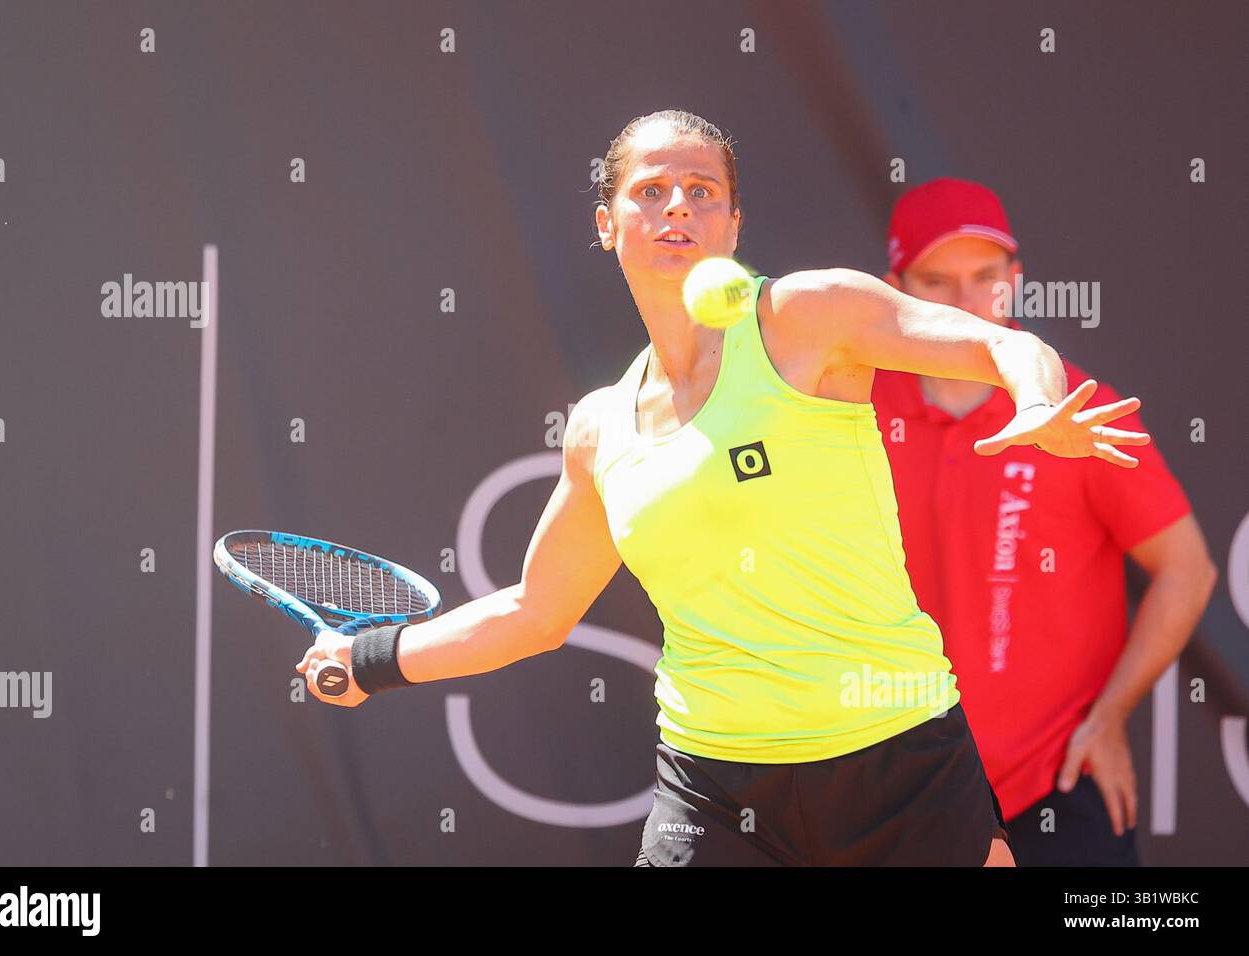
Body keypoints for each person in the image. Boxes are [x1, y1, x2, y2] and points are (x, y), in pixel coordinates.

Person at [296, 111, 1149, 867]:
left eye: (702, 190)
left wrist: (1036, 399)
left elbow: (996, 344)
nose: (677, 207)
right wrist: (370, 660)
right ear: (606, 222)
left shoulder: (806, 319)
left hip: (896, 761)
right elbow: (534, 612)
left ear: (733, 224)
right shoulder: (599, 429)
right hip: (713, 784)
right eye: (652, 189)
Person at [870, 178, 1218, 866]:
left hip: (1055, 781)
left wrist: (1110, 716)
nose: (968, 304)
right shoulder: (850, 409)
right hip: (903, 784)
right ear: (894, 287)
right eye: (937, 281)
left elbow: (1187, 569)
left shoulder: (1077, 409)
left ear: (1016, 280)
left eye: (986, 279)